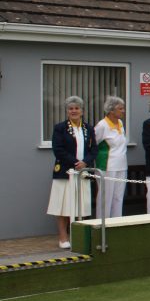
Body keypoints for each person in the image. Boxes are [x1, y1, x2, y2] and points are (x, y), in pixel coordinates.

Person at [47, 96, 98, 249]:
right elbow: (58, 150)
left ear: (82, 111)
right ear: (67, 111)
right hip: (65, 172)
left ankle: (79, 236)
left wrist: (85, 162)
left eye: (76, 108)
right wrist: (75, 163)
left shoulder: (88, 128)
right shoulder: (60, 128)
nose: (74, 111)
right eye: (71, 108)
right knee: (62, 205)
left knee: (82, 205)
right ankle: (63, 237)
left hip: (83, 172)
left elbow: (94, 149)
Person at [93, 95, 128, 220]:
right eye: (120, 108)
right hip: (107, 166)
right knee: (105, 197)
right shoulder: (102, 125)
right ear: (111, 110)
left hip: (122, 165)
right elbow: (93, 144)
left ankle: (115, 224)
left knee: (118, 197)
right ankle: (102, 225)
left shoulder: (120, 123)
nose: (123, 111)